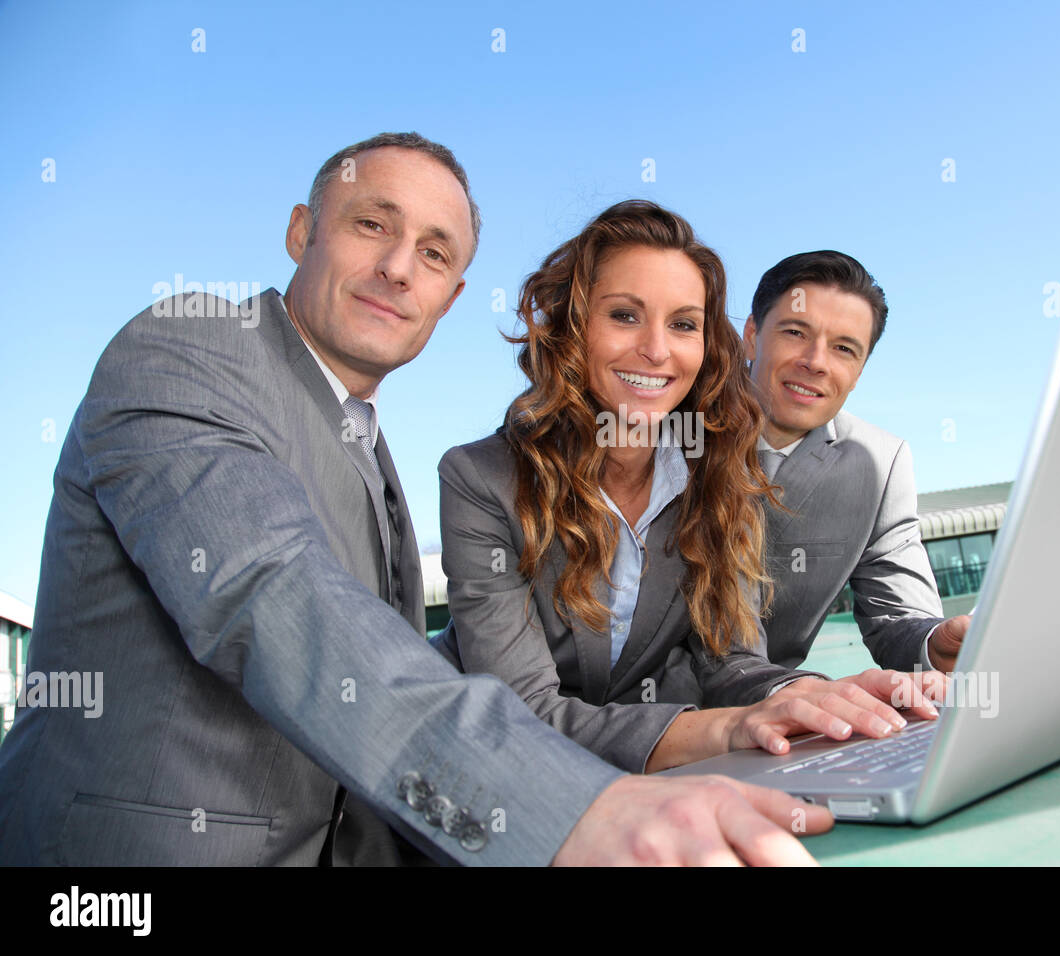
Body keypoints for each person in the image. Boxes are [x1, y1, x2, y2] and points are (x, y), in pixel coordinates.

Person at [0, 133, 837, 867]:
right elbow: (273, 598)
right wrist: (572, 809)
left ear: (453, 294)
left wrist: (799, 701)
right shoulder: (192, 350)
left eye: (436, 253)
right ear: (302, 231)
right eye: (373, 224)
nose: (401, 268)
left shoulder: (366, 442)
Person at [432, 201, 944, 776]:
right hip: (469, 784)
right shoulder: (481, 480)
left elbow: (731, 661)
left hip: (638, 781)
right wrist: (726, 727)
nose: (656, 350)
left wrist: (810, 697)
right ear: (571, 328)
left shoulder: (719, 474)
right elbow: (522, 714)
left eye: (682, 324)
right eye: (624, 315)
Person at [742, 251, 971, 673]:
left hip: (772, 716)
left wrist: (937, 644)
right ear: (751, 333)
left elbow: (900, 620)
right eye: (795, 331)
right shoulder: (672, 419)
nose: (815, 361)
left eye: (844, 348)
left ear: (861, 368)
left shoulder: (881, 465)